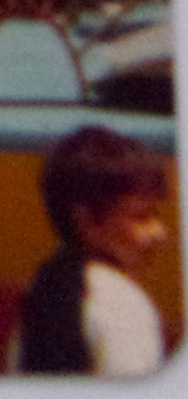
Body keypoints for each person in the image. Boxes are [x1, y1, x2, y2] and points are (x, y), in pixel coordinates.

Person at [12, 125, 168, 375]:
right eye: (141, 217)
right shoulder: (121, 304)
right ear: (87, 221)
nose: (160, 232)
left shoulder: (43, 288)